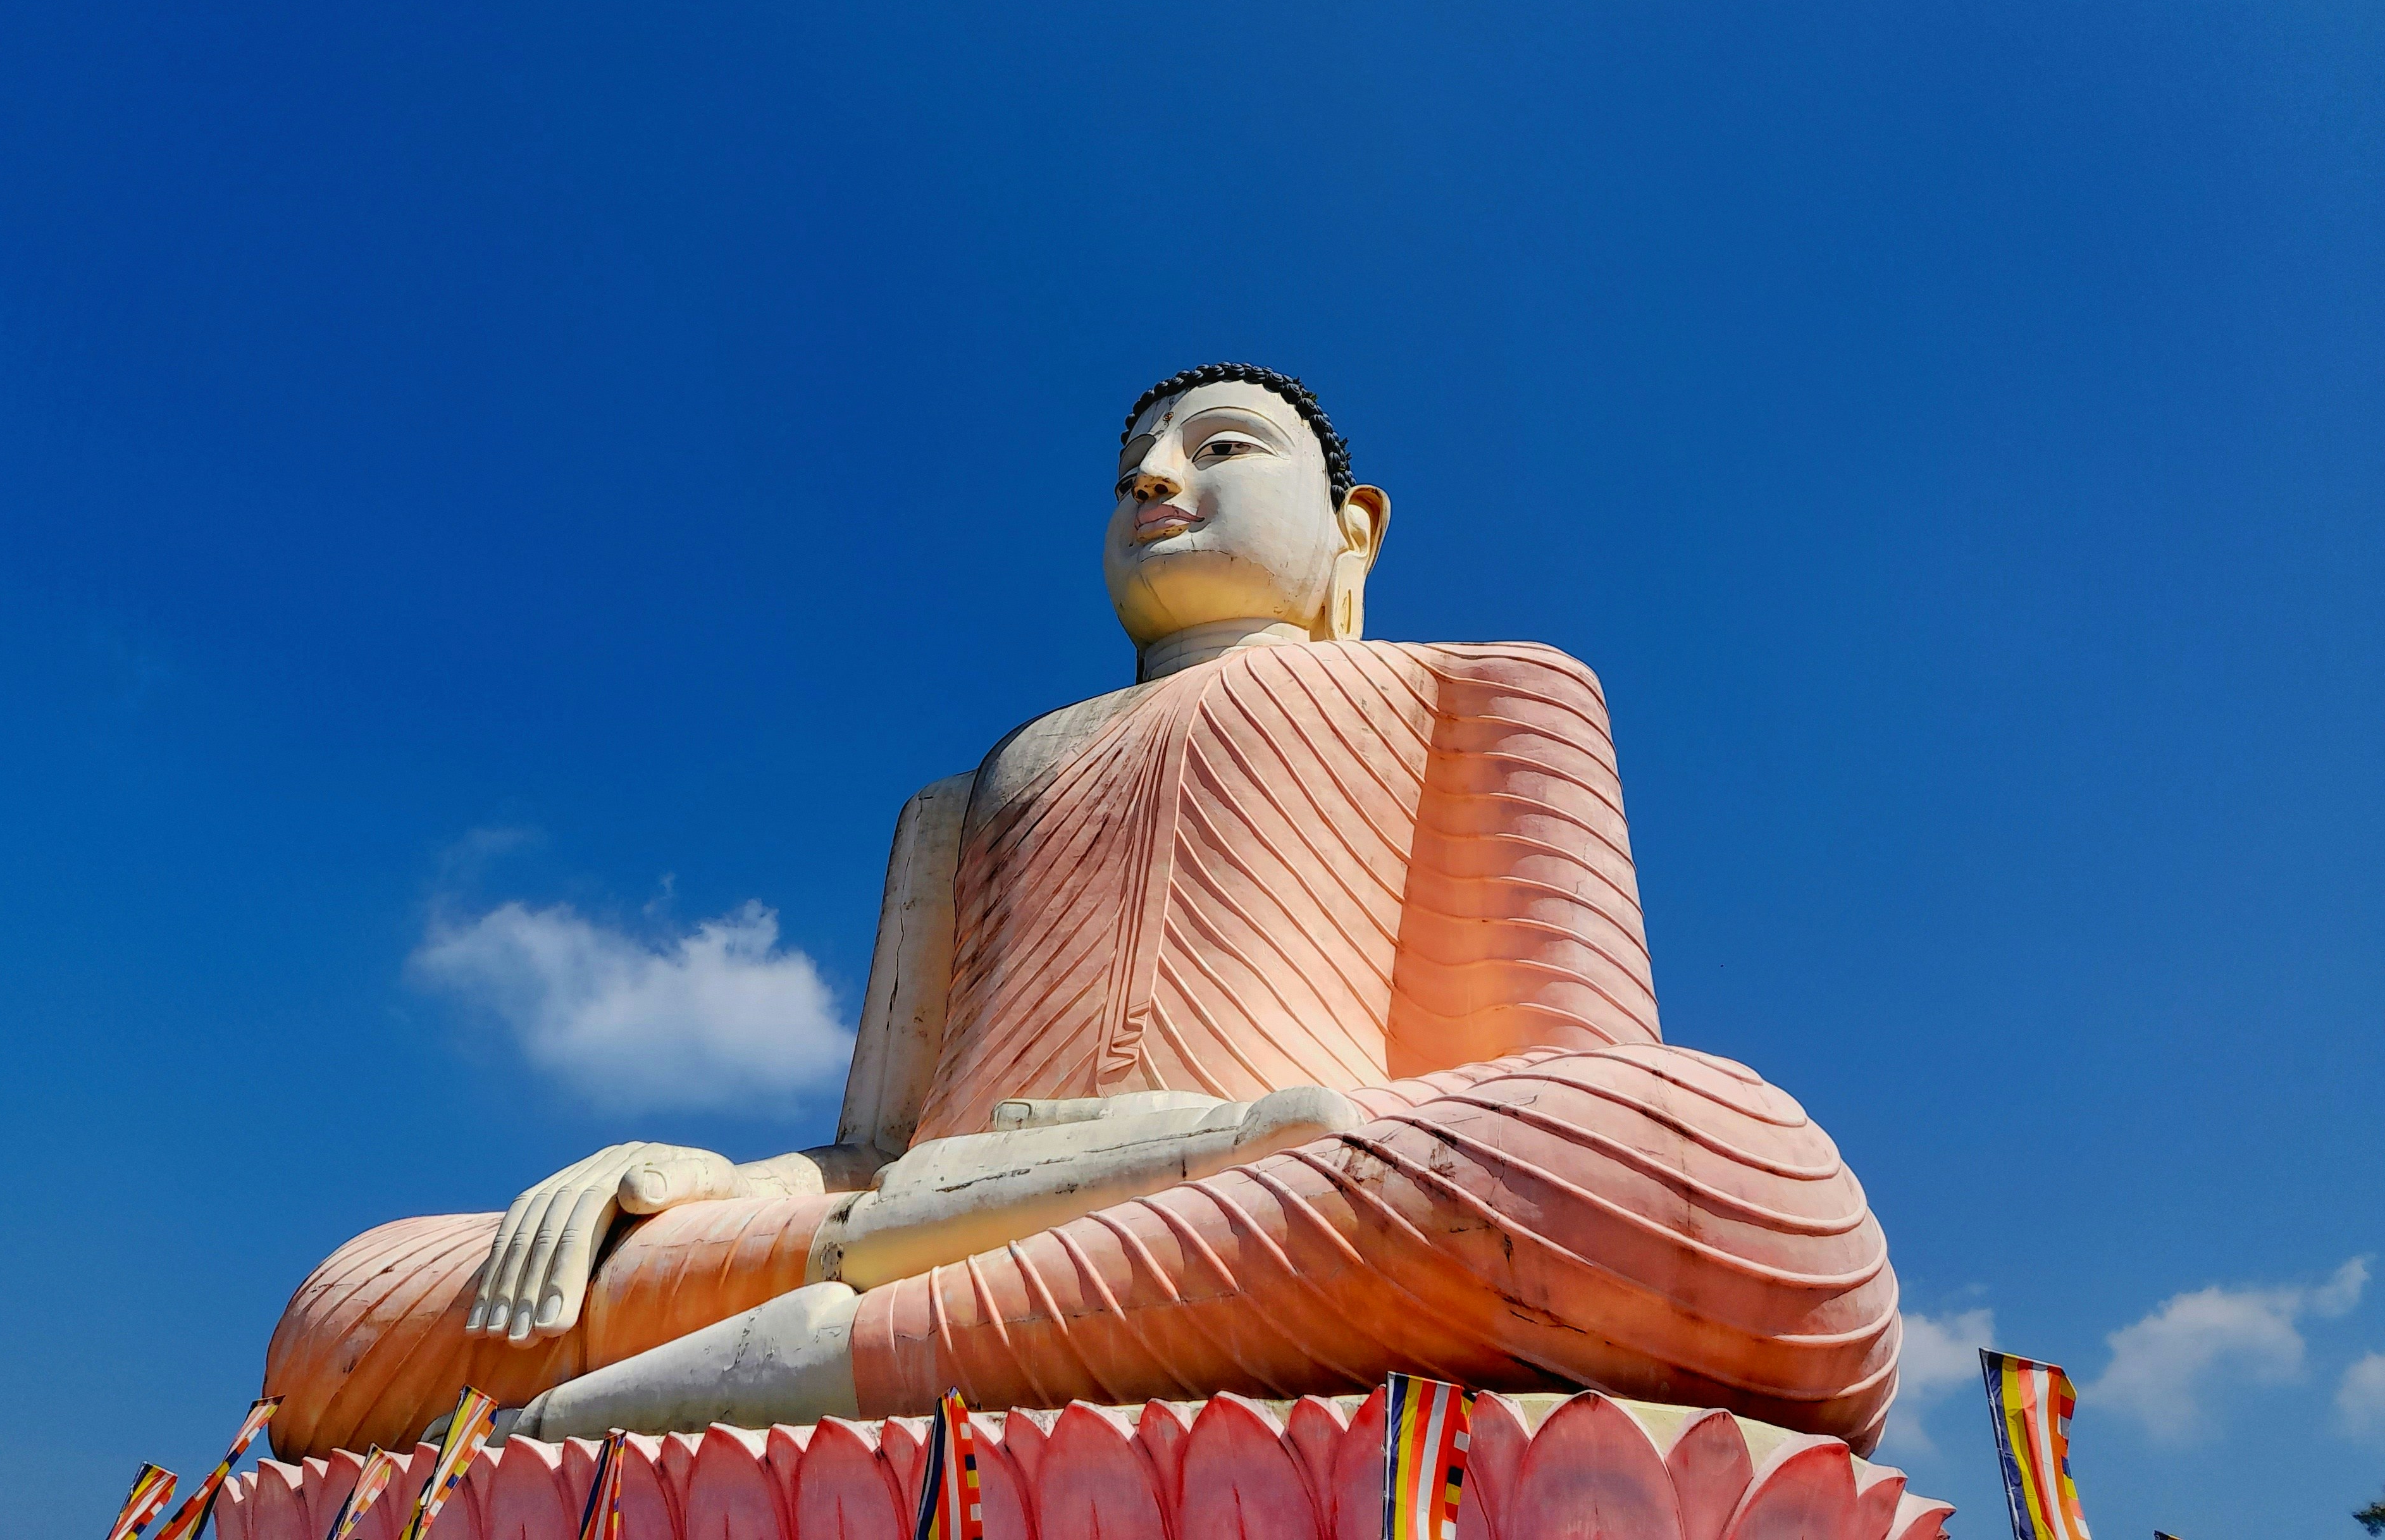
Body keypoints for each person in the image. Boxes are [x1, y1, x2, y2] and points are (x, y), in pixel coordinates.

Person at [263, 362, 1899, 1461]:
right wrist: (680, 1181)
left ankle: (778, 1377)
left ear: (1357, 526)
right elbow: (879, 1140)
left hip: (1299, 1197)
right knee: (354, 1300)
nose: (1151, 473)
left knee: (1718, 1164)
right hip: (964, 1213)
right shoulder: (972, 795)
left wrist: (1252, 1152)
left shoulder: (1486, 691)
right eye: (1136, 460)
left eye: (1220, 446)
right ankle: (892, 1305)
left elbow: (1563, 1096)